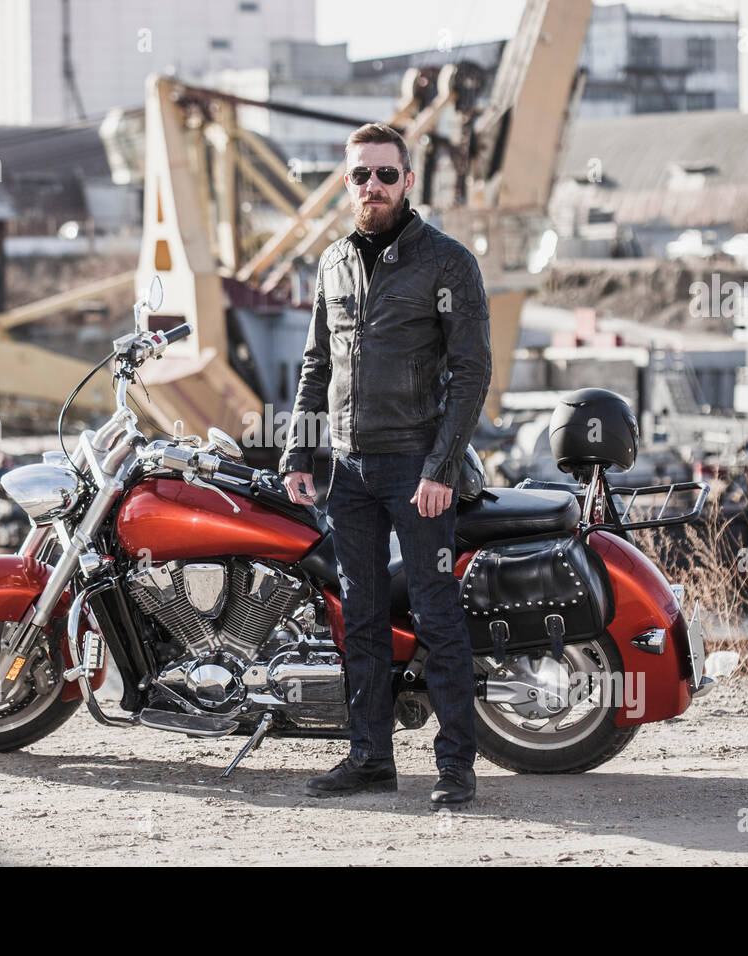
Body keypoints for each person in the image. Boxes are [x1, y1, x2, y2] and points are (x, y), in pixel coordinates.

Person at [278, 123, 492, 809]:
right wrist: (298, 450)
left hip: (415, 467)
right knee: (362, 617)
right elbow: (317, 365)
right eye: (360, 176)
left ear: (408, 181)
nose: (372, 187)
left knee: (435, 614)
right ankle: (370, 758)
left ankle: (456, 766)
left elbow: (470, 372)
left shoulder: (447, 262)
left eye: (385, 175)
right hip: (348, 472)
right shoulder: (333, 262)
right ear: (347, 183)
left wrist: (441, 469)